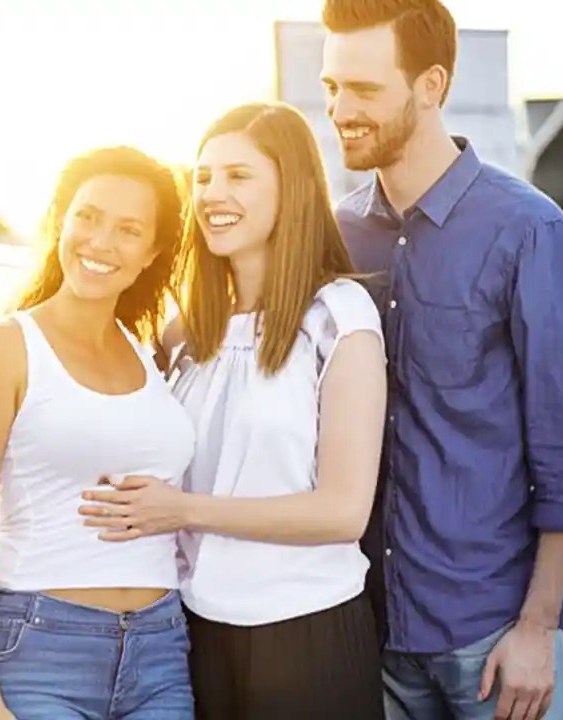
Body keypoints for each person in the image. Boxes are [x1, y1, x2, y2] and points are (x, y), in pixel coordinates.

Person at [319, 1, 563, 718]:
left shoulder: (528, 230)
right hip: (375, 635)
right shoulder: (336, 239)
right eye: (331, 88)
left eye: (363, 89)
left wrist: (540, 628)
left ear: (431, 85)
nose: (339, 111)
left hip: (499, 640)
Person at [79, 101, 388, 718]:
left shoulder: (339, 316)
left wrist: (183, 511)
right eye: (204, 177)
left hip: (306, 636)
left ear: (292, 188)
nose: (213, 193)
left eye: (239, 176)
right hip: (193, 635)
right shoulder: (186, 336)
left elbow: (343, 512)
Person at [0, 146, 195, 719]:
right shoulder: (2, 349)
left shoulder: (149, 351)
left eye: (128, 229)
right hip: (41, 651)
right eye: (88, 216)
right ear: (61, 219)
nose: (100, 242)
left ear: (152, 251)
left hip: (161, 652)